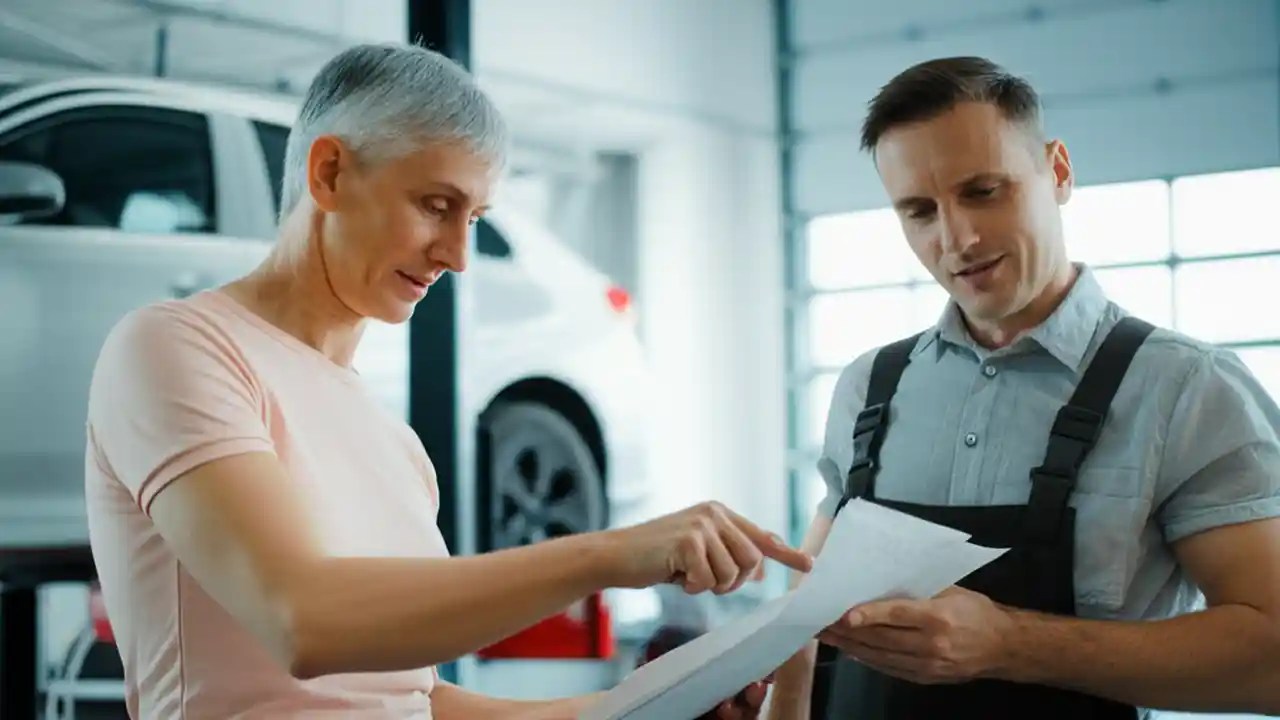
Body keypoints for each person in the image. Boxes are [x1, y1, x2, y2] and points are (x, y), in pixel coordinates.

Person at [84, 42, 811, 719]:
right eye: (436, 205)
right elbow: (302, 621)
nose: (459, 255)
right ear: (328, 173)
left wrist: (640, 706)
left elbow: (415, 702)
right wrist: (613, 553)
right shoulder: (177, 348)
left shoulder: (397, 448)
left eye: (476, 217)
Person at [764, 56, 1280, 719]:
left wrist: (1010, 644)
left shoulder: (1187, 389)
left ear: (1058, 171)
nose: (958, 239)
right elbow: (809, 624)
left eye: (983, 191)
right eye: (920, 211)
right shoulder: (869, 386)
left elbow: (1272, 660)